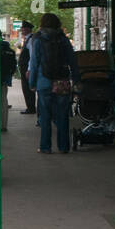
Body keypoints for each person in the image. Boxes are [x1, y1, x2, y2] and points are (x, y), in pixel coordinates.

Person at [27, 13, 80, 154]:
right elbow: (73, 61)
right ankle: (63, 147)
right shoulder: (63, 39)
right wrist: (76, 80)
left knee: (45, 116)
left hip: (44, 81)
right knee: (62, 115)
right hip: (62, 81)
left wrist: (32, 83)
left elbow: (34, 62)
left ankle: (45, 147)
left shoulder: (37, 39)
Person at [17, 20, 37, 115]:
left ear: (28, 29)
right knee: (26, 88)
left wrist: (29, 69)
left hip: (26, 69)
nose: (22, 30)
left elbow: (32, 55)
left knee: (27, 88)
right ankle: (30, 106)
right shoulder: (27, 39)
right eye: (22, 28)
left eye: (24, 28)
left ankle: (31, 107)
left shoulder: (31, 40)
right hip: (24, 68)